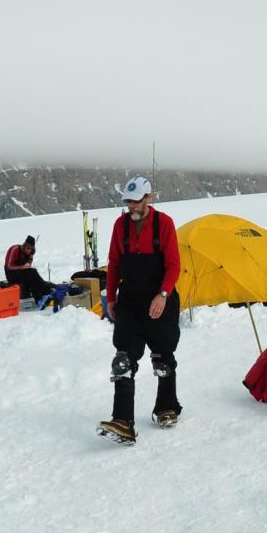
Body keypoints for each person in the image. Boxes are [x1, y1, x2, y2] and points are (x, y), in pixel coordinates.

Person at [99, 177, 182, 442]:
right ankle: (123, 421)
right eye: (128, 202)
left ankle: (166, 407)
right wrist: (111, 298)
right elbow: (114, 264)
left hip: (159, 298)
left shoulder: (164, 224)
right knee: (123, 359)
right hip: (130, 300)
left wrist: (163, 295)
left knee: (163, 358)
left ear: (149, 198)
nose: (131, 206)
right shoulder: (120, 225)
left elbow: (173, 266)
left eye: (136, 201)